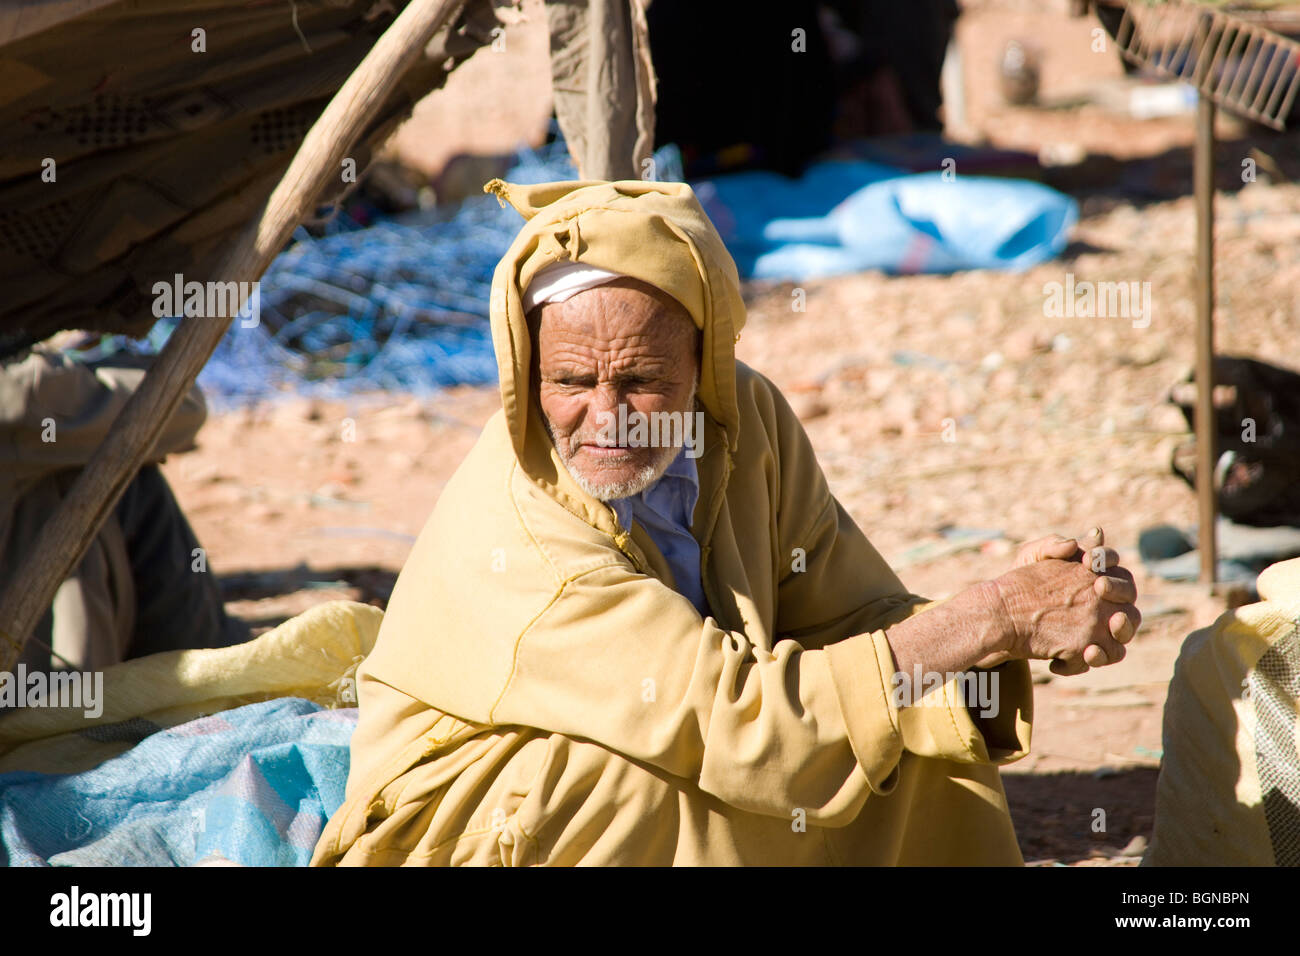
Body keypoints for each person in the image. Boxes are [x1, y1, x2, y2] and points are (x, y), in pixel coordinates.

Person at [312, 178, 1140, 866]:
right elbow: (736, 724)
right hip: (454, 824)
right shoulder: (526, 532)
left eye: (641, 380)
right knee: (659, 783)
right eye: (570, 381)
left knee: (921, 729)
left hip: (706, 722)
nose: (610, 419)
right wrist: (991, 615)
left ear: (705, 364)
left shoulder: (746, 420)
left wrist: (1018, 626)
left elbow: (850, 619)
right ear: (527, 370)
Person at [0, 342, 250, 678]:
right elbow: (180, 400)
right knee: (123, 471)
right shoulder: (21, 393)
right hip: (27, 699)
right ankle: (204, 678)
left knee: (92, 458)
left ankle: (201, 670)